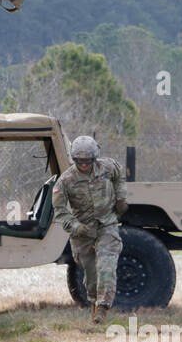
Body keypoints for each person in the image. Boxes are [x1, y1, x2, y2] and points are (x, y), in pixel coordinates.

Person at [52, 135, 128, 324]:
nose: (84, 165)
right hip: (82, 233)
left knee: (106, 268)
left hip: (106, 226)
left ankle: (102, 308)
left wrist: (120, 197)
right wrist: (77, 227)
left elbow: (120, 175)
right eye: (79, 162)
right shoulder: (65, 181)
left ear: (95, 159)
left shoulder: (108, 167)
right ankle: (94, 304)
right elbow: (60, 211)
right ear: (74, 160)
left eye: (88, 161)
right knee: (92, 278)